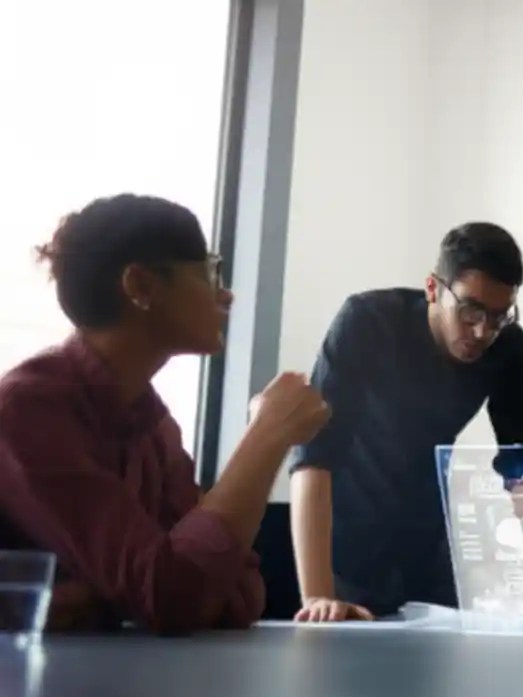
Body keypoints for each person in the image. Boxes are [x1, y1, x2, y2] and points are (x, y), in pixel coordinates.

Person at [0, 194, 329, 635]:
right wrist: (267, 436)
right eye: (209, 273)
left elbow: (242, 593)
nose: (226, 294)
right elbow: (178, 596)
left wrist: (108, 598)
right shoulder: (28, 411)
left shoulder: (154, 425)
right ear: (140, 285)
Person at [289, 223, 523, 622]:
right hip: (343, 543)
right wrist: (316, 598)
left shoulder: (508, 347)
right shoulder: (367, 321)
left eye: (499, 316)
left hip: (428, 544)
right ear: (433, 288)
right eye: (470, 310)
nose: (483, 332)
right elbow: (313, 457)